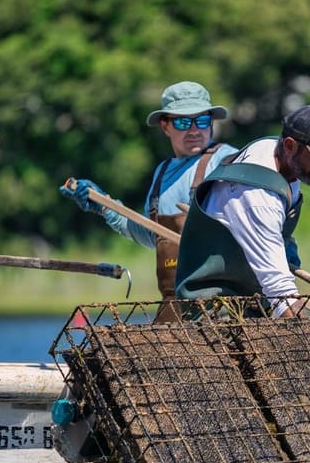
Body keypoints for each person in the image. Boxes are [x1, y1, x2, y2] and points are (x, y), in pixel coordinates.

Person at [60, 81, 240, 322]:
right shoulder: (162, 174)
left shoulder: (228, 160)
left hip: (224, 306)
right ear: (165, 126)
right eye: (183, 122)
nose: (195, 129)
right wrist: (105, 206)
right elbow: (152, 236)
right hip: (175, 307)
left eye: (203, 121)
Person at [174, 104, 310, 317]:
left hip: (253, 298)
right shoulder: (257, 197)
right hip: (212, 307)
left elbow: (279, 234)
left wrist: (289, 257)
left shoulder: (279, 157)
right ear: (289, 146)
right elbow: (282, 295)